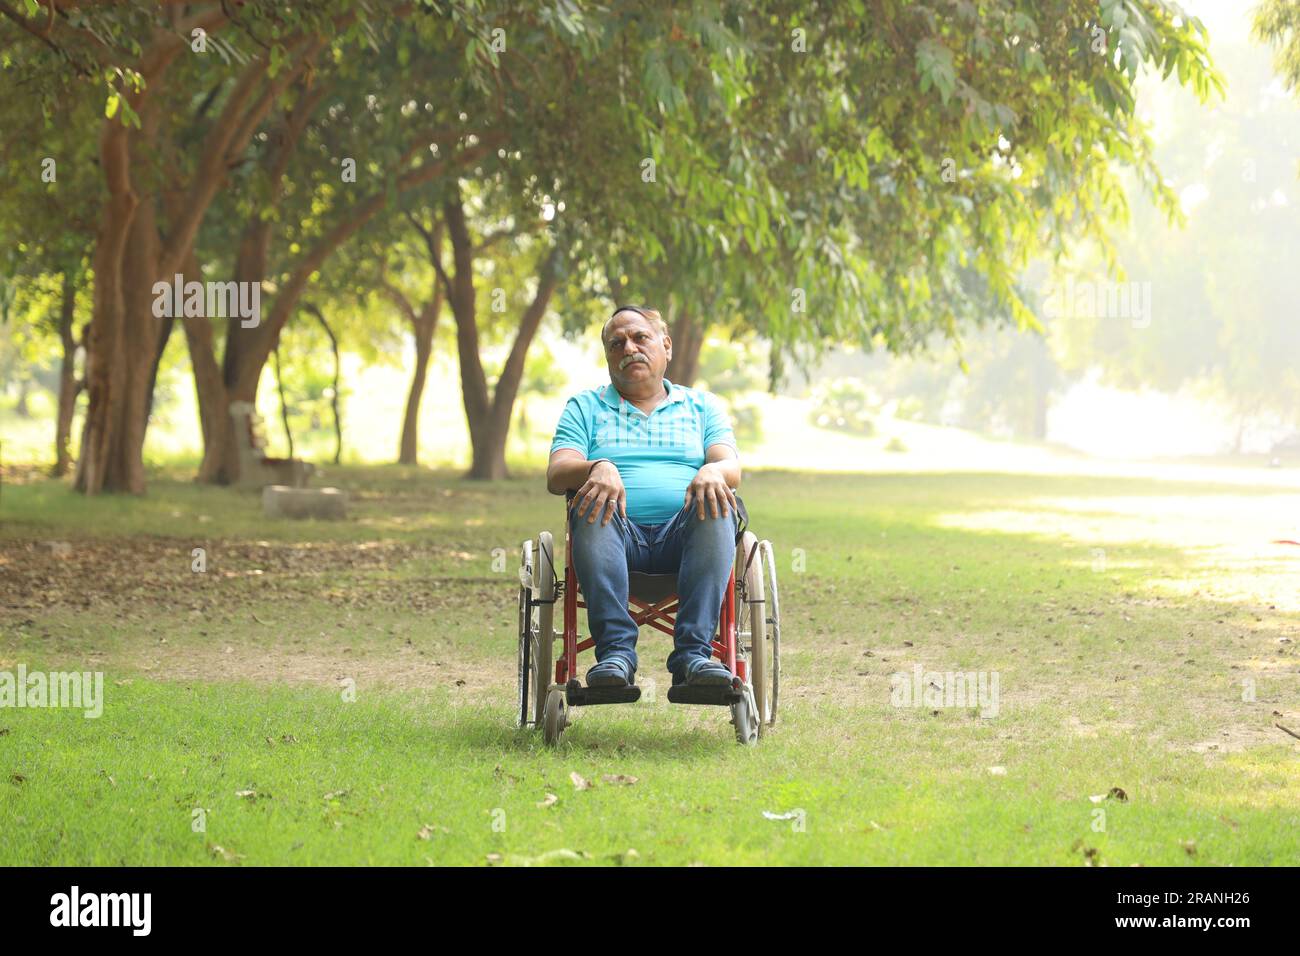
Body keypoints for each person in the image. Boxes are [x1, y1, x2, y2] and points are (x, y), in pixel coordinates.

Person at [546, 305, 744, 689]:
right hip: (612, 535)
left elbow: (730, 466)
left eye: (640, 338)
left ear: (666, 346)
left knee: (719, 500)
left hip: (686, 537)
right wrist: (596, 466)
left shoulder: (702, 406)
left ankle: (694, 656)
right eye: (616, 343)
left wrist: (711, 470)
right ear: (608, 357)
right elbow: (557, 473)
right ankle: (616, 655)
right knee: (589, 500)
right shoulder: (585, 407)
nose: (629, 348)